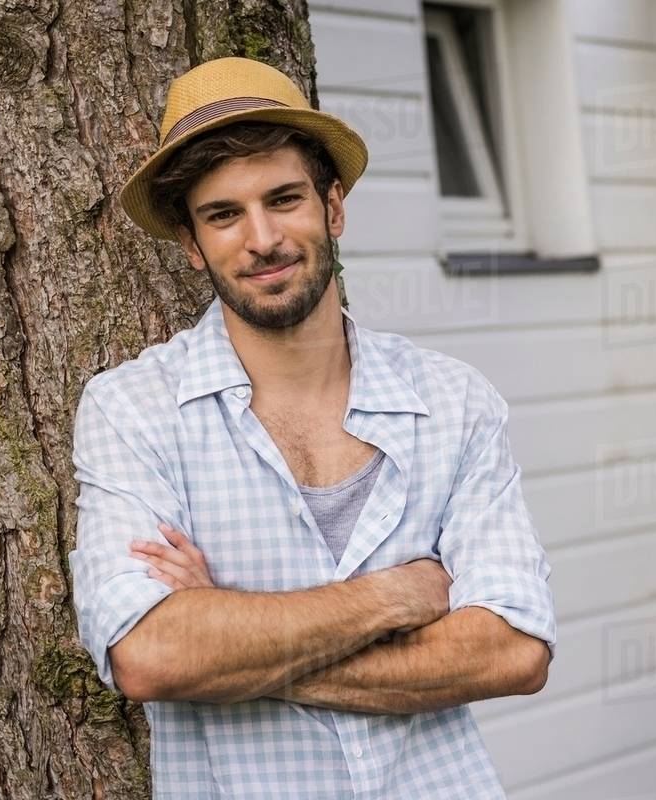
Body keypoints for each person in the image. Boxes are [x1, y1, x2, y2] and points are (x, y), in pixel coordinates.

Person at [68, 56, 556, 799]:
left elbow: (513, 652)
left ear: (333, 207)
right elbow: (150, 654)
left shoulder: (456, 403)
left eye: (284, 198)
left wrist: (233, 647)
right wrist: (391, 599)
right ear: (192, 244)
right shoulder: (132, 411)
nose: (261, 238)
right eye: (223, 214)